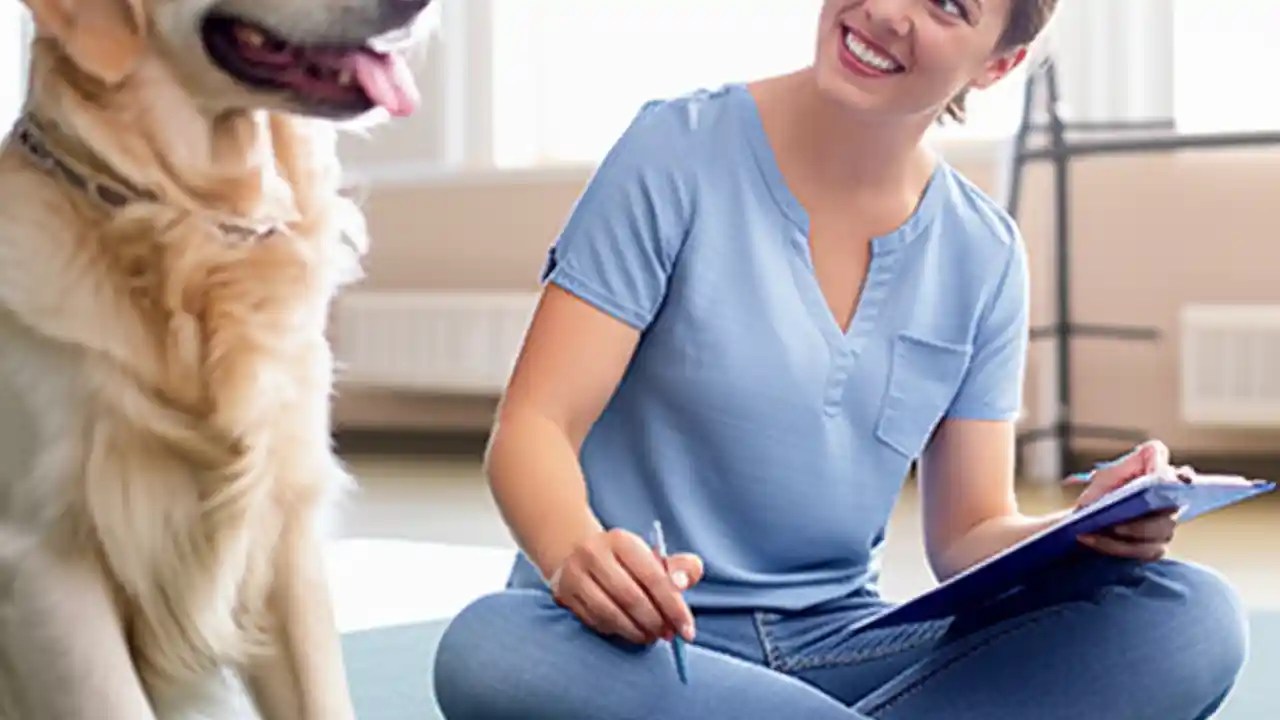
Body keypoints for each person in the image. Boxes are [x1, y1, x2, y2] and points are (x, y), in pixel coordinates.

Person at [432, 1, 1249, 717]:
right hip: (628, 648)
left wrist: (1081, 533)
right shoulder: (672, 151)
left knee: (1190, 613)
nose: (888, 11)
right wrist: (576, 552)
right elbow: (533, 425)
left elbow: (967, 533)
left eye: (947, 4)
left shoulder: (983, 252)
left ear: (998, 64)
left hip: (842, 651)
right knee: (490, 648)